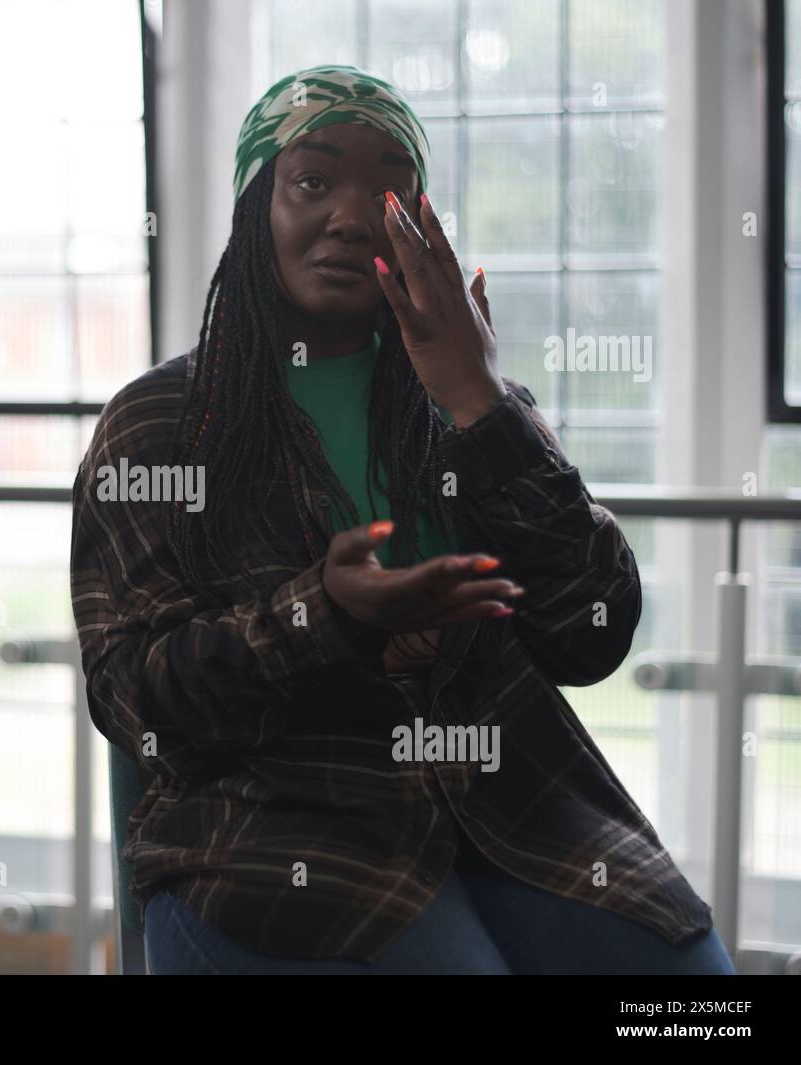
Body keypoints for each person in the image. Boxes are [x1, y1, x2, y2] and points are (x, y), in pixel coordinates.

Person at [69, 67, 735, 974]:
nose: (350, 214)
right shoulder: (159, 425)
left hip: (515, 804)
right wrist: (323, 615)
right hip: (277, 829)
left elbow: (593, 631)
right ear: (256, 201)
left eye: (385, 187)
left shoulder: (474, 404)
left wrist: (479, 403)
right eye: (313, 180)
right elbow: (133, 691)